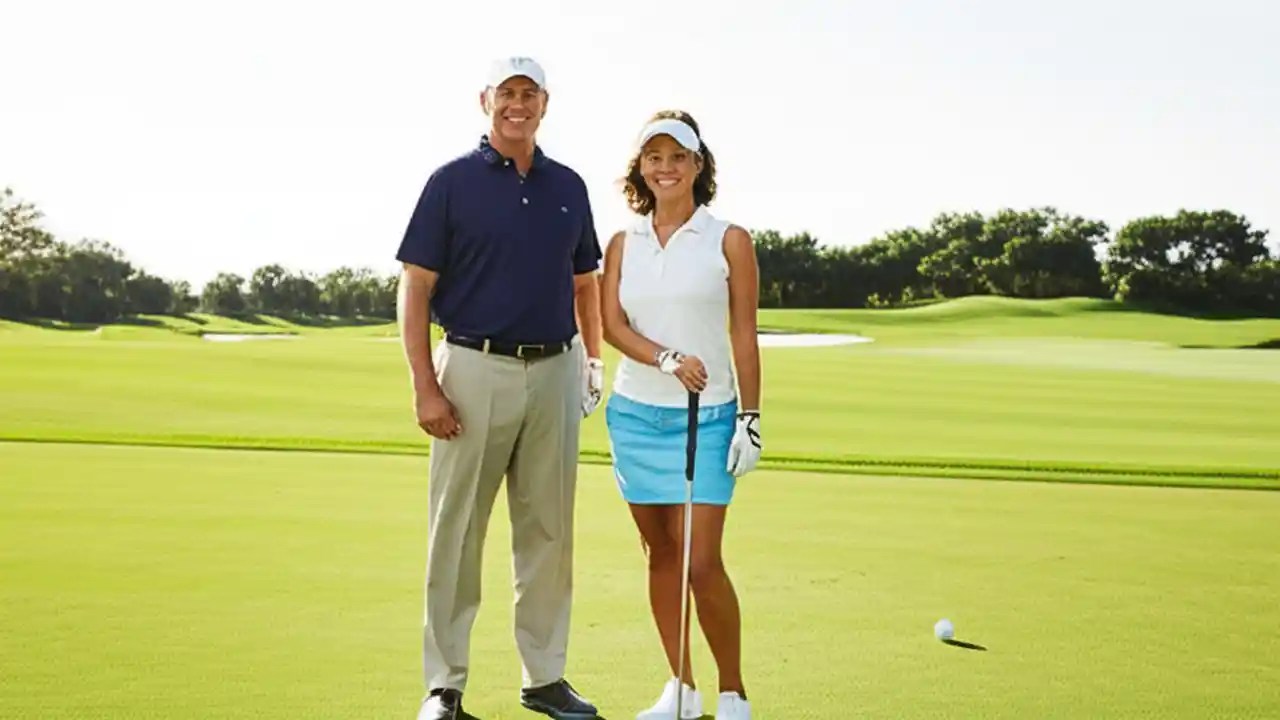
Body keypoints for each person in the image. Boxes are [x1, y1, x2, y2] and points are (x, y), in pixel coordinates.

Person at [395, 56, 606, 720]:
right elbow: (415, 287)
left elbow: (585, 284)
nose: (519, 104)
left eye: (530, 94)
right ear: (485, 100)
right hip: (472, 367)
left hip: (556, 368)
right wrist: (425, 387)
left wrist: (593, 363)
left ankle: (545, 677)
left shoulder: (568, 185)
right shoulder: (451, 182)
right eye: (507, 93)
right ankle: (444, 686)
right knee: (457, 532)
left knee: (548, 530)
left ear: (546, 103)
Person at [599, 111, 763, 720]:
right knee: (661, 555)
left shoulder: (729, 239)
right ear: (640, 167)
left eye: (677, 157)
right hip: (636, 416)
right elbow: (612, 325)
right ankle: (682, 688)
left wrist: (750, 417)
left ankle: (733, 691)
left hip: (708, 417)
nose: (665, 168)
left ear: (698, 165)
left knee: (701, 561)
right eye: (654, 157)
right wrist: (665, 357)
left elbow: (743, 334)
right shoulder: (623, 243)